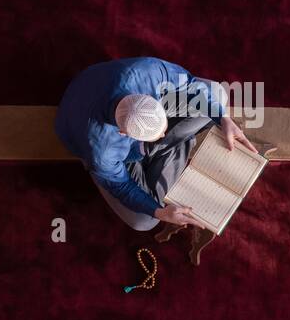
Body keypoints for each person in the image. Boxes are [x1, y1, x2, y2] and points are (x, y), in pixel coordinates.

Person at [54, 57, 257, 230]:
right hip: (98, 145)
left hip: (99, 92)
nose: (162, 134)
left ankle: (174, 147)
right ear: (124, 133)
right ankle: (175, 146)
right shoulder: (102, 152)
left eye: (163, 128)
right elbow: (122, 186)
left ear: (148, 96)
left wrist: (223, 119)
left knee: (217, 95)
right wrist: (160, 212)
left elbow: (190, 83)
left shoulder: (145, 73)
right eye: (157, 135)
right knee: (145, 221)